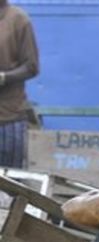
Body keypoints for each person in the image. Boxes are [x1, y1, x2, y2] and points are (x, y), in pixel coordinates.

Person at [0, 0, 39, 169]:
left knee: (10, 186)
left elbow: (31, 66)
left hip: (9, 118)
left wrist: (3, 77)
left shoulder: (18, 19)